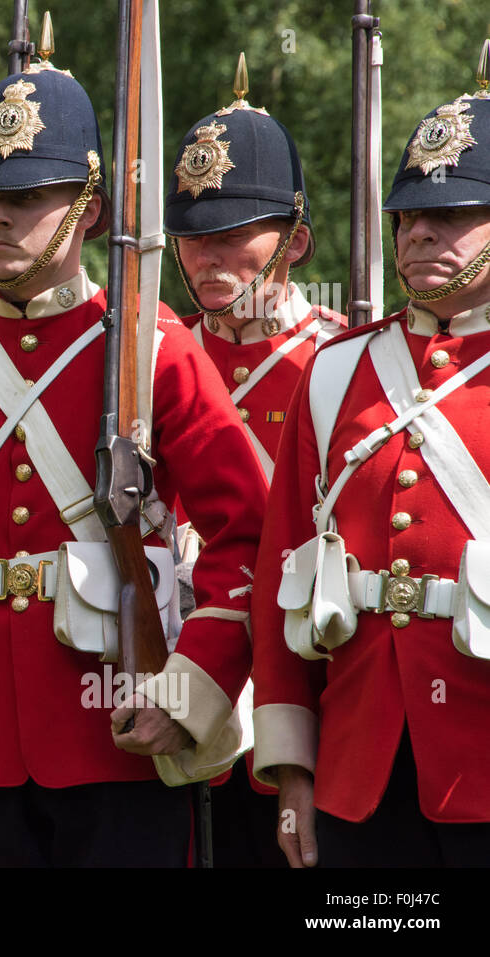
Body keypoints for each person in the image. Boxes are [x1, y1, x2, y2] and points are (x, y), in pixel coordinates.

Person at [0, 62, 266, 867]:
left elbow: (248, 533)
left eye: (28, 198)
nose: (0, 218)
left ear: (91, 209)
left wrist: (186, 693)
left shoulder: (153, 350)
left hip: (124, 737)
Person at [253, 76, 490, 867]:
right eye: (409, 215)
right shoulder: (335, 371)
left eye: (451, 214)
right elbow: (280, 570)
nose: (421, 233)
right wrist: (294, 770)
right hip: (359, 770)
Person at [163, 58, 345, 867]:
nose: (210, 256)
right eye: (196, 235)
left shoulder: (341, 363)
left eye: (235, 234)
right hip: (167, 670)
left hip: (303, 684)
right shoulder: (147, 366)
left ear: (296, 242)